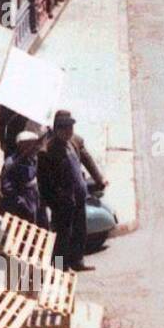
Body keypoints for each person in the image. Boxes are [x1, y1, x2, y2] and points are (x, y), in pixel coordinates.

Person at [38, 110, 104, 272]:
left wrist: (99, 179)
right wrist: (53, 202)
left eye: (70, 128)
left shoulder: (74, 141)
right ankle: (60, 267)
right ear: (57, 129)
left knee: (79, 231)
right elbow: (44, 183)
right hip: (62, 201)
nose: (68, 131)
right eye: (64, 128)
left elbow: (88, 160)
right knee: (62, 236)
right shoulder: (47, 152)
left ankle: (77, 261)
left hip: (79, 195)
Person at [0, 130, 47, 227]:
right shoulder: (11, 163)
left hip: (35, 200)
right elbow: (7, 188)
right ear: (22, 145)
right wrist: (21, 203)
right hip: (21, 205)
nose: (34, 147)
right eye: (30, 144)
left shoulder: (33, 160)